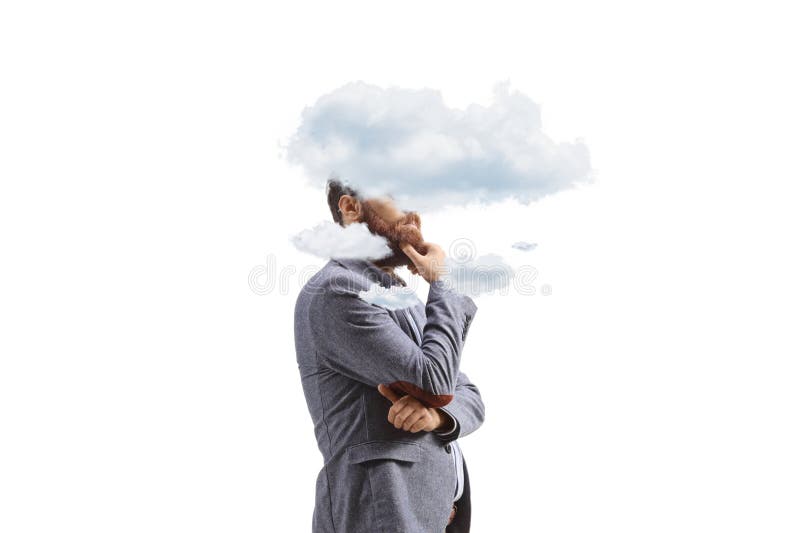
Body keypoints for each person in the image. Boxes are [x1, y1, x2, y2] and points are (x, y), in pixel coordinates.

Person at [294, 180, 486, 532]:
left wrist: (438, 418)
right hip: (382, 511)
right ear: (350, 209)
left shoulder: (402, 297)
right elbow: (437, 383)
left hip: (432, 512)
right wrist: (445, 283)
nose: (413, 213)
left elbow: (469, 396)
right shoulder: (338, 290)